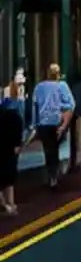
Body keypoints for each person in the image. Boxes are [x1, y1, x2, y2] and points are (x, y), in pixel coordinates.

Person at [30, 64, 73, 189]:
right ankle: (54, 173)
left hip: (43, 123)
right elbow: (70, 104)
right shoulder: (62, 86)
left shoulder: (39, 87)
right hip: (57, 121)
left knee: (48, 149)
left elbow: (35, 106)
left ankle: (51, 174)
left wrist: (34, 124)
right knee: (55, 148)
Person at [0, 85, 23, 215]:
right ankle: (10, 205)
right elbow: (16, 142)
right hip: (9, 150)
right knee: (9, 178)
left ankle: (7, 205)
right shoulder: (15, 116)